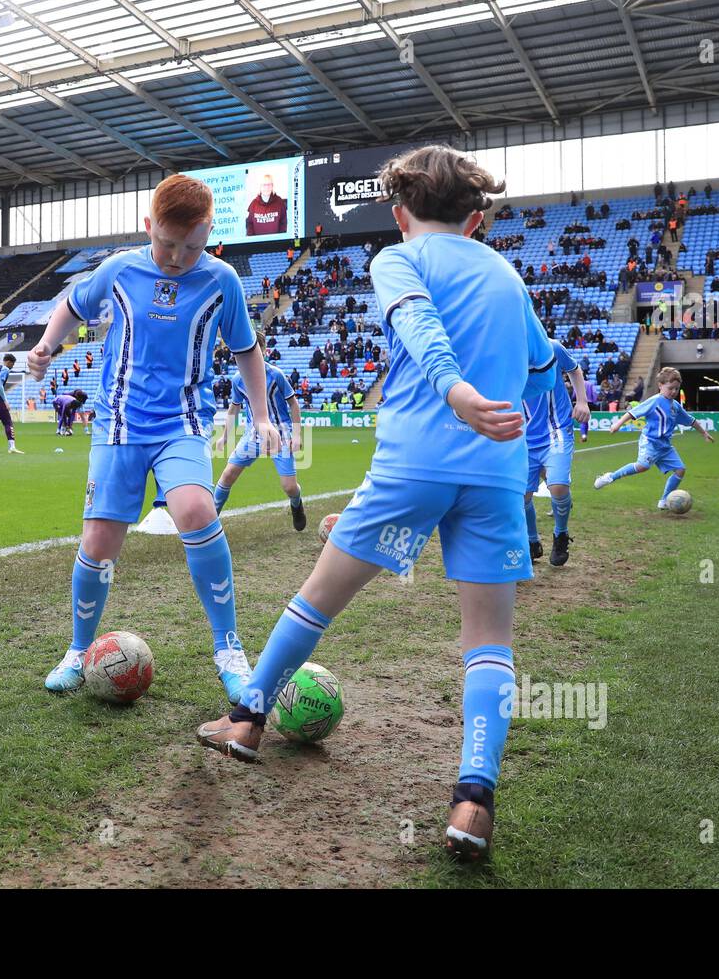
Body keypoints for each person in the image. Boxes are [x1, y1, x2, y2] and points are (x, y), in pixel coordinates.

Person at [193, 144, 557, 863]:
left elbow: (419, 326)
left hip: (414, 464)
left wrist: (455, 392)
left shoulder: (397, 258)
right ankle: (473, 800)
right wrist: (523, 451)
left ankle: (245, 721)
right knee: (489, 643)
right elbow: (544, 370)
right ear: (477, 220)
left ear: (399, 215)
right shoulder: (510, 275)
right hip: (496, 474)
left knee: (318, 599)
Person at [26, 173, 280, 699]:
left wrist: (260, 416)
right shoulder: (120, 270)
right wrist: (47, 346)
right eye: (166, 242)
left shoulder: (221, 280)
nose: (176, 256)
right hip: (118, 424)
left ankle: (229, 647)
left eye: (191, 246)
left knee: (196, 512)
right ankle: (78, 650)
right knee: (98, 544)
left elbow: (246, 350)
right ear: (148, 226)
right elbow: (73, 307)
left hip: (181, 424)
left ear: (209, 233)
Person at [212, 342, 307, 532]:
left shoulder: (276, 374)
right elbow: (234, 408)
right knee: (228, 474)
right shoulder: (238, 379)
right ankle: (210, 521)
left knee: (289, 487)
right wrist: (224, 437)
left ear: (263, 351)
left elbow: (294, 405)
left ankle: (296, 504)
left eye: (254, 350)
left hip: (280, 434)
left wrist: (296, 435)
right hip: (253, 435)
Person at [594, 367, 714, 508]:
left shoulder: (676, 406)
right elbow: (633, 413)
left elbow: (691, 420)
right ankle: (610, 477)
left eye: (676, 388)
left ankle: (664, 501)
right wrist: (618, 424)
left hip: (665, 446)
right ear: (660, 385)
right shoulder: (654, 401)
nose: (674, 391)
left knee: (680, 470)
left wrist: (704, 433)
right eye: (670, 388)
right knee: (643, 466)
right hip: (650, 441)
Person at [524, 339, 590, 566]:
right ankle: (532, 541)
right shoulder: (503, 351)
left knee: (558, 486)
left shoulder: (551, 347)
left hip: (557, 428)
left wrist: (581, 401)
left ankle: (560, 535)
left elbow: (574, 369)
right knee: (521, 496)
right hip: (521, 435)